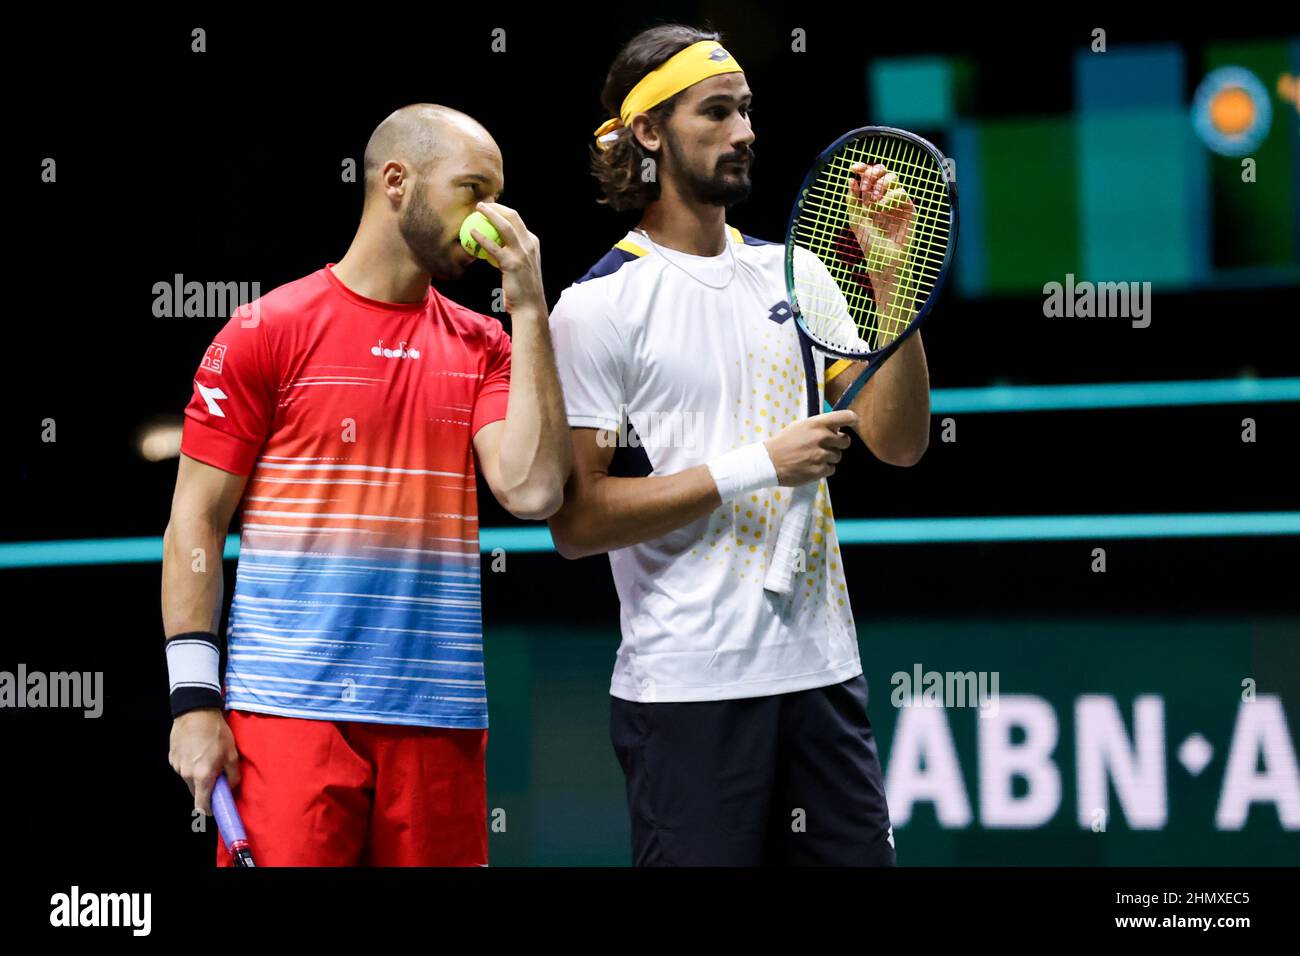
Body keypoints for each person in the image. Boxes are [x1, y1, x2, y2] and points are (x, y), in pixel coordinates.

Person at [547, 26, 931, 865]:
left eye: (747, 111)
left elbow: (899, 443)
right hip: (688, 695)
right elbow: (577, 519)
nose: (744, 131)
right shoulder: (597, 307)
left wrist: (891, 287)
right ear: (648, 133)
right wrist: (761, 463)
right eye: (716, 112)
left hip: (824, 677)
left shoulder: (794, 275)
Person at [162, 104, 571, 866]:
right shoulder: (264, 331)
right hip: (286, 716)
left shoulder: (486, 345)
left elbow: (535, 490)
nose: (495, 216)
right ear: (395, 182)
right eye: (473, 189)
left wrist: (527, 305)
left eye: (499, 195)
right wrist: (193, 701)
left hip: (439, 720)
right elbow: (194, 523)